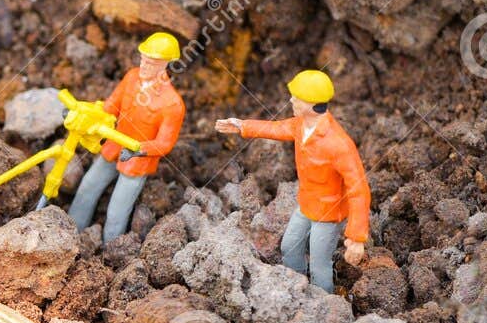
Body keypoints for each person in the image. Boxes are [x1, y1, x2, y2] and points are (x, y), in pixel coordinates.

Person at [215, 69, 370, 291]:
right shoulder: (300, 125)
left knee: (319, 263)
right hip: (306, 204)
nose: (291, 100)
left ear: (312, 103)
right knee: (289, 247)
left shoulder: (338, 143)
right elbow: (276, 128)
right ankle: (295, 288)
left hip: (328, 213)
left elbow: (358, 189)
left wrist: (356, 237)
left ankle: (322, 302)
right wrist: (243, 125)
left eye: (297, 97)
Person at [66, 32, 186, 243]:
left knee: (116, 211)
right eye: (144, 60)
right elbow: (110, 106)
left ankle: (111, 251)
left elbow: (165, 143)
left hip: (136, 161)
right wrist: (85, 115)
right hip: (112, 146)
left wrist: (138, 149)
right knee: (87, 188)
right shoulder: (131, 77)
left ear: (166, 64)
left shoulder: (172, 104)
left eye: (152, 62)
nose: (145, 66)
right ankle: (69, 233)